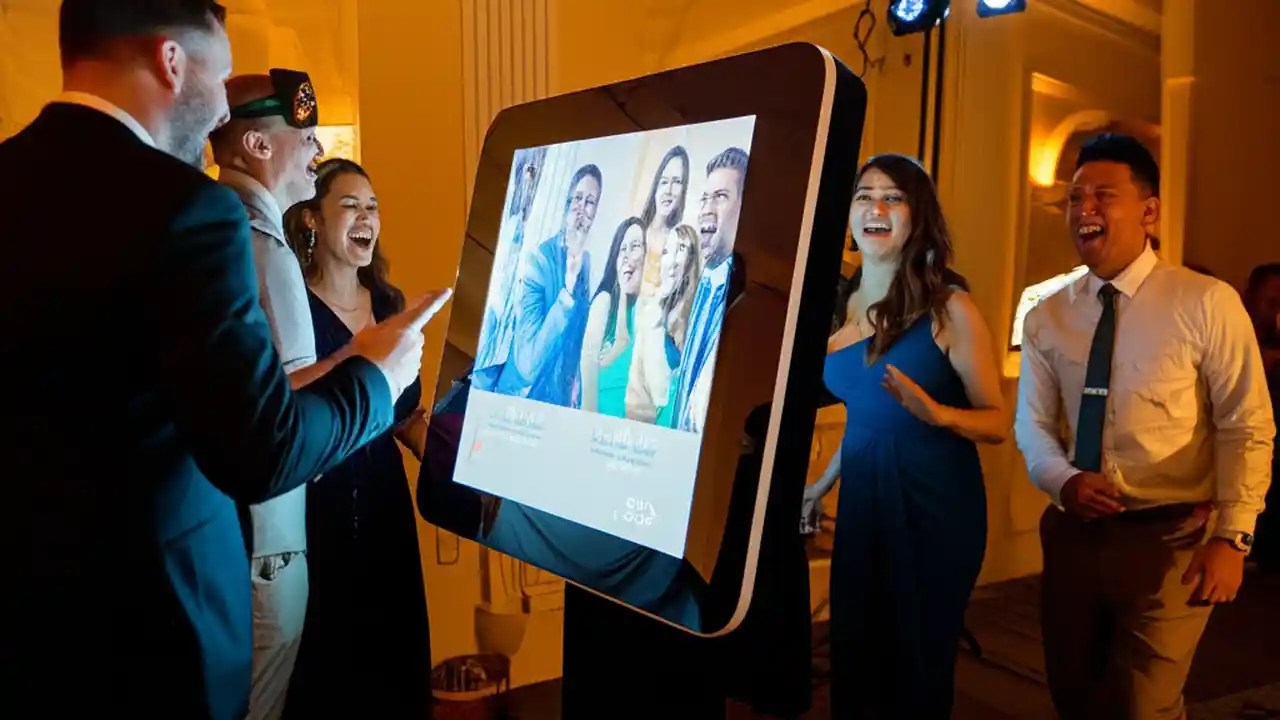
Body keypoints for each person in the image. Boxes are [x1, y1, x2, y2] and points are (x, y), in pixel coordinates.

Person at [4, 3, 449, 717]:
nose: (217, 117)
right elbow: (258, 447)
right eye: (217, 78)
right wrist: (374, 374)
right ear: (171, 62)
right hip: (160, 619)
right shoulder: (191, 212)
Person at [1015, 134, 1275, 720]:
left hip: (1170, 538)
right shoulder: (1047, 315)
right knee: (1075, 695)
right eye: (1076, 197)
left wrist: (1234, 536)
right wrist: (1063, 480)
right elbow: (1031, 422)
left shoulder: (1205, 302)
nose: (1085, 209)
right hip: (1073, 535)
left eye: (1103, 195)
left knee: (1144, 706)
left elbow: (1246, 421)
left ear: (1149, 211)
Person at [801, 153, 1007, 718]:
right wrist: (821, 484)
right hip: (865, 507)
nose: (877, 207)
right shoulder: (841, 310)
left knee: (913, 670)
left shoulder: (949, 309)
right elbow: (871, 418)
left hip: (935, 510)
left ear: (918, 217)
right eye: (864, 195)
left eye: (893, 197)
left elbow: (997, 420)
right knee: (857, 660)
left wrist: (939, 414)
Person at [281, 159, 433, 717]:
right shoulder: (292, 307)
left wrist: (436, 439)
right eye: (350, 205)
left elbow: (398, 414)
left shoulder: (390, 306)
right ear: (314, 221)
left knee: (393, 665)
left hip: (386, 507)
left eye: (373, 206)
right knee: (330, 674)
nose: (366, 216)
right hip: (317, 513)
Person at [208, 68, 330, 720]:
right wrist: (372, 370)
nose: (317, 151)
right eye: (305, 135)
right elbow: (290, 403)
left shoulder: (212, 222)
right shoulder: (261, 246)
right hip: (268, 540)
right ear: (258, 145)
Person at [494, 164, 602, 407]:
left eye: (591, 202)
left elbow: (575, 344)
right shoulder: (538, 262)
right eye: (578, 199)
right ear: (566, 204)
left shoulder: (587, 263)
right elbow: (528, 364)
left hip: (557, 406)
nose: (582, 210)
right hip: (519, 404)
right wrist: (566, 292)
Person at [675, 147, 749, 433]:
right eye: (705, 198)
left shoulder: (745, 300)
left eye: (720, 197)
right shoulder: (704, 287)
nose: (707, 208)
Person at [473, 147, 547, 389]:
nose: (528, 180)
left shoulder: (531, 232)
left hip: (504, 352)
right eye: (527, 171)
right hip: (489, 344)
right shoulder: (506, 226)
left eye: (534, 173)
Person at [627, 223, 703, 425]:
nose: (673, 261)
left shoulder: (698, 312)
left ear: (691, 261)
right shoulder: (650, 311)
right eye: (667, 251)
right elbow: (647, 389)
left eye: (681, 250)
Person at [581, 217, 646, 415]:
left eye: (634, 246)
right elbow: (588, 371)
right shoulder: (604, 301)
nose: (627, 255)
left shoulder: (644, 311)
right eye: (621, 249)